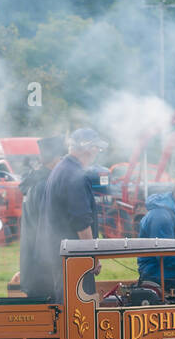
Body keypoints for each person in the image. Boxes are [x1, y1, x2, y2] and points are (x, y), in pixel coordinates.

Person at [38, 127, 106, 301]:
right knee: (79, 311)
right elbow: (81, 222)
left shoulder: (61, 169)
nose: (97, 152)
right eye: (96, 147)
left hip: (62, 255)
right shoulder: (75, 176)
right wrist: (93, 257)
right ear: (88, 148)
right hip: (74, 259)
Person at [13, 134, 65, 296]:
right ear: (57, 159)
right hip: (45, 267)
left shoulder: (34, 182)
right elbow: (48, 228)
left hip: (33, 262)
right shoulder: (45, 186)